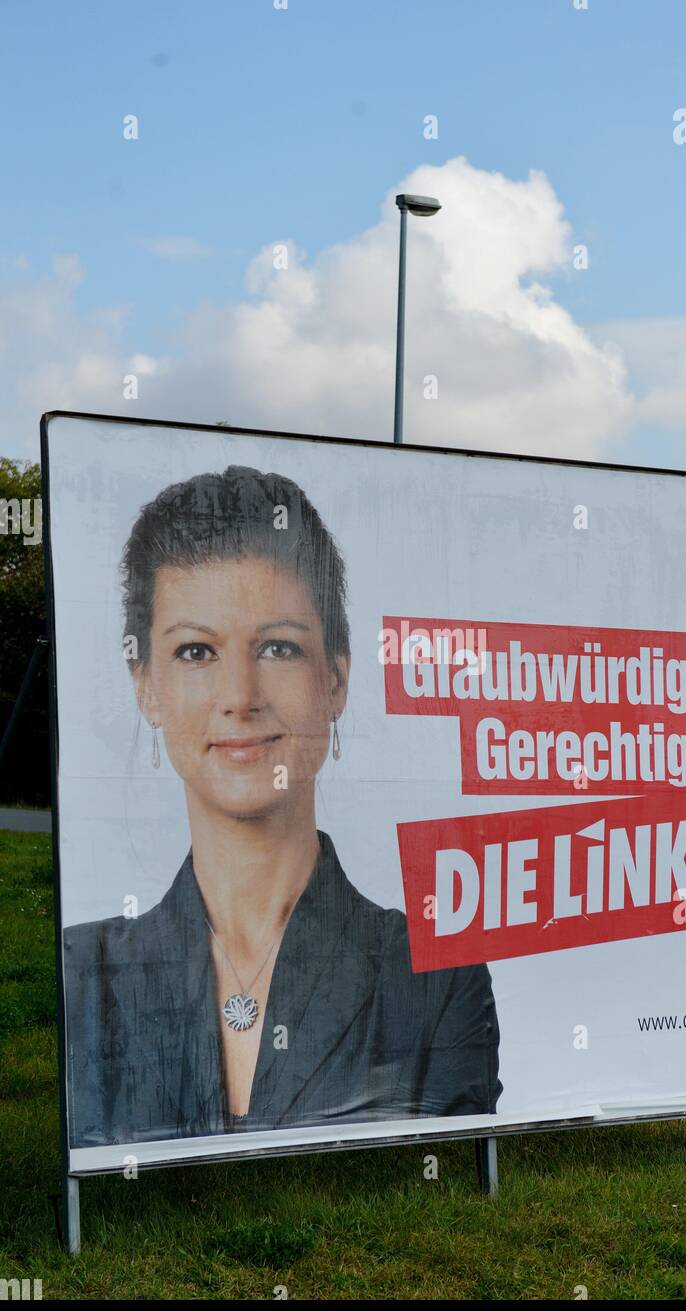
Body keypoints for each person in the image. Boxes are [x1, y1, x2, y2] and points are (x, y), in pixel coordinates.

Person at [63, 464, 502, 1148]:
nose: (239, 694)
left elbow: (440, 1219)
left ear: (335, 679)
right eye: (196, 650)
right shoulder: (81, 974)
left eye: (277, 647)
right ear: (146, 687)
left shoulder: (436, 978)